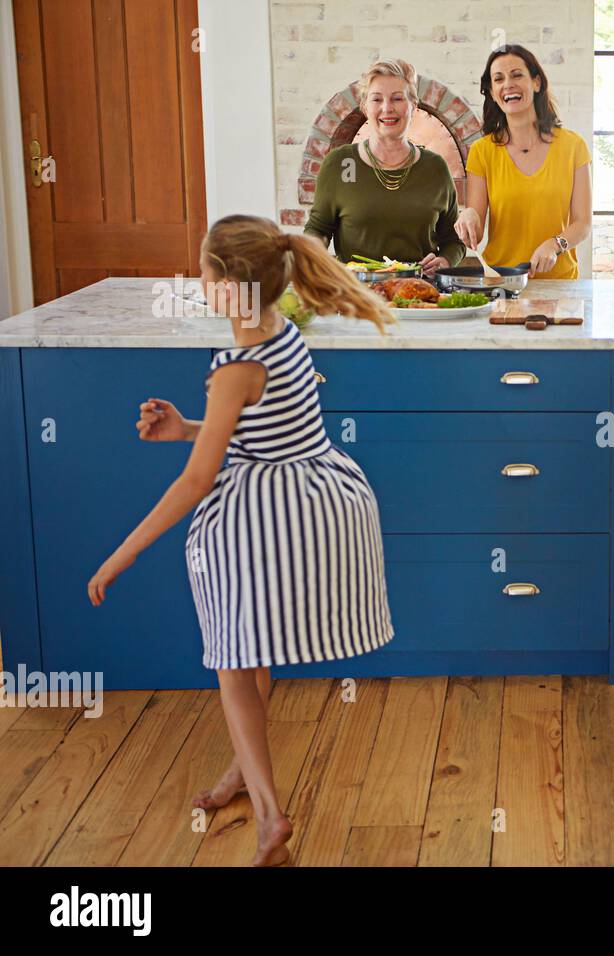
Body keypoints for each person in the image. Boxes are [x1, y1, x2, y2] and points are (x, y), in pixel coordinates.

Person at [86, 214, 397, 867]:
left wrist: (124, 551)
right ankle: (240, 773)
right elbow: (263, 430)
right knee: (253, 651)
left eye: (203, 272)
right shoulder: (282, 336)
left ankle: (268, 817)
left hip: (261, 522)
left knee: (232, 661)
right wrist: (185, 429)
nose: (198, 281)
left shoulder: (234, 366)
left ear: (228, 287)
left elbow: (199, 481)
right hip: (318, 507)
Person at [305, 57, 465, 277]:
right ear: (365, 107)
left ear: (413, 106)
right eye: (377, 99)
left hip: (419, 291)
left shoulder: (435, 167)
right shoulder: (341, 163)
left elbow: (453, 241)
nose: (387, 108)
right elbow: (318, 229)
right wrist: (312, 256)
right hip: (357, 291)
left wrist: (445, 261)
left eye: (397, 98)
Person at [455, 44, 592, 279]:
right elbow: (476, 232)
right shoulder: (482, 151)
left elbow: (583, 224)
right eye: (498, 79)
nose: (508, 84)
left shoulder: (574, 146)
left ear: (536, 83)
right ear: (492, 92)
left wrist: (555, 244)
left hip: (560, 283)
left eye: (517, 75)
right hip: (501, 280)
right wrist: (468, 216)